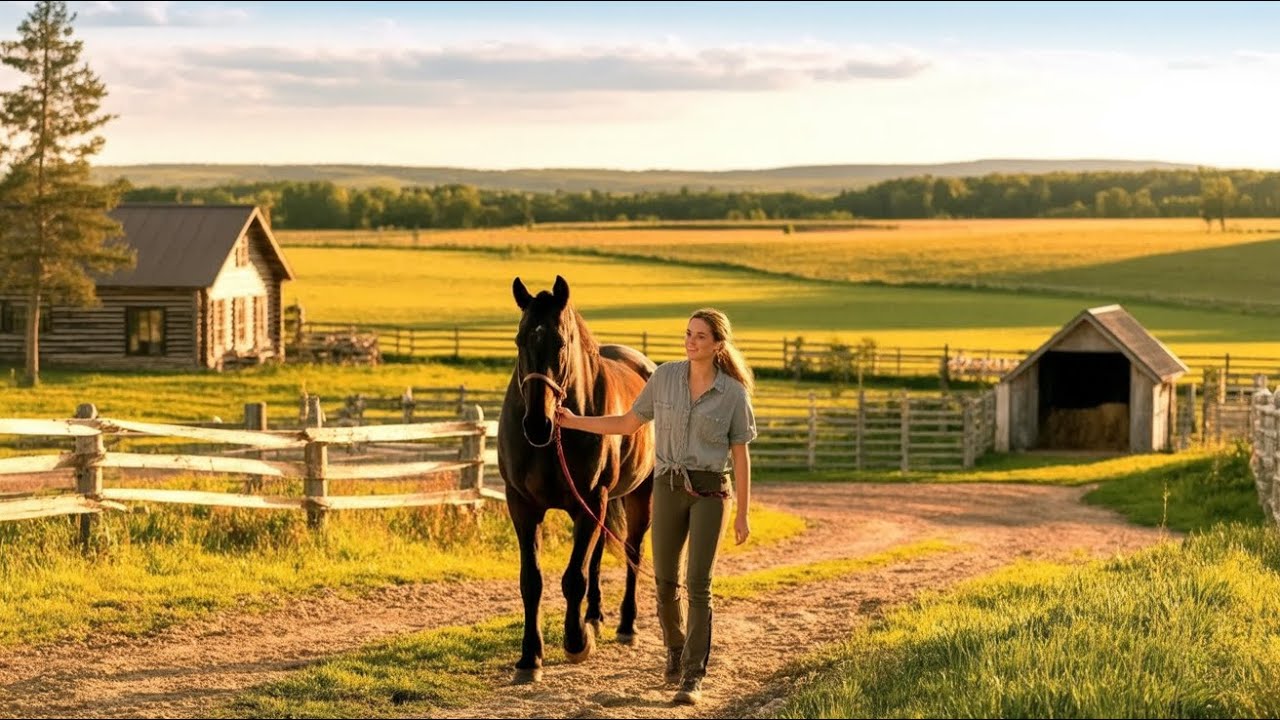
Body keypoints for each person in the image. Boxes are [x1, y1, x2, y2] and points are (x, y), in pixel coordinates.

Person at [556, 307, 757, 706]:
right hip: (667, 486)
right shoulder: (664, 377)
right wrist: (574, 421)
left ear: (718, 345)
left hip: (711, 491)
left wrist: (744, 512)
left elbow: (741, 456)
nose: (691, 340)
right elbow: (628, 423)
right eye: (688, 333)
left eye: (700, 336)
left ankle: (693, 675)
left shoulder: (733, 394)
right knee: (665, 584)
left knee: (699, 585)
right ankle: (675, 650)